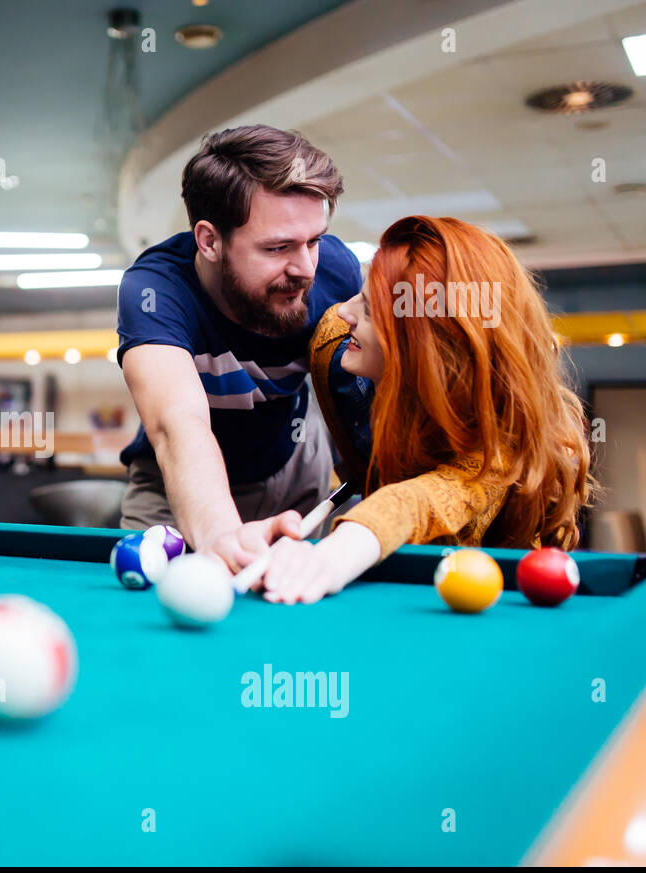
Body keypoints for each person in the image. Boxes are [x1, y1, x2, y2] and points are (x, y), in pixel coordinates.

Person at [253, 215, 593, 604]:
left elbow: (426, 499)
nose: (344, 312)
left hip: (503, 577)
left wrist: (341, 549)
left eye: (367, 308)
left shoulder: (501, 433)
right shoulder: (334, 347)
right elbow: (363, 462)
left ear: (421, 342)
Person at [116, 124, 362, 572]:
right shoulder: (154, 291)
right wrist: (220, 536)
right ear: (209, 240)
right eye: (278, 247)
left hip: (295, 468)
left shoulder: (336, 274)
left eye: (314, 240)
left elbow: (360, 405)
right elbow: (178, 425)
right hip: (175, 489)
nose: (306, 268)